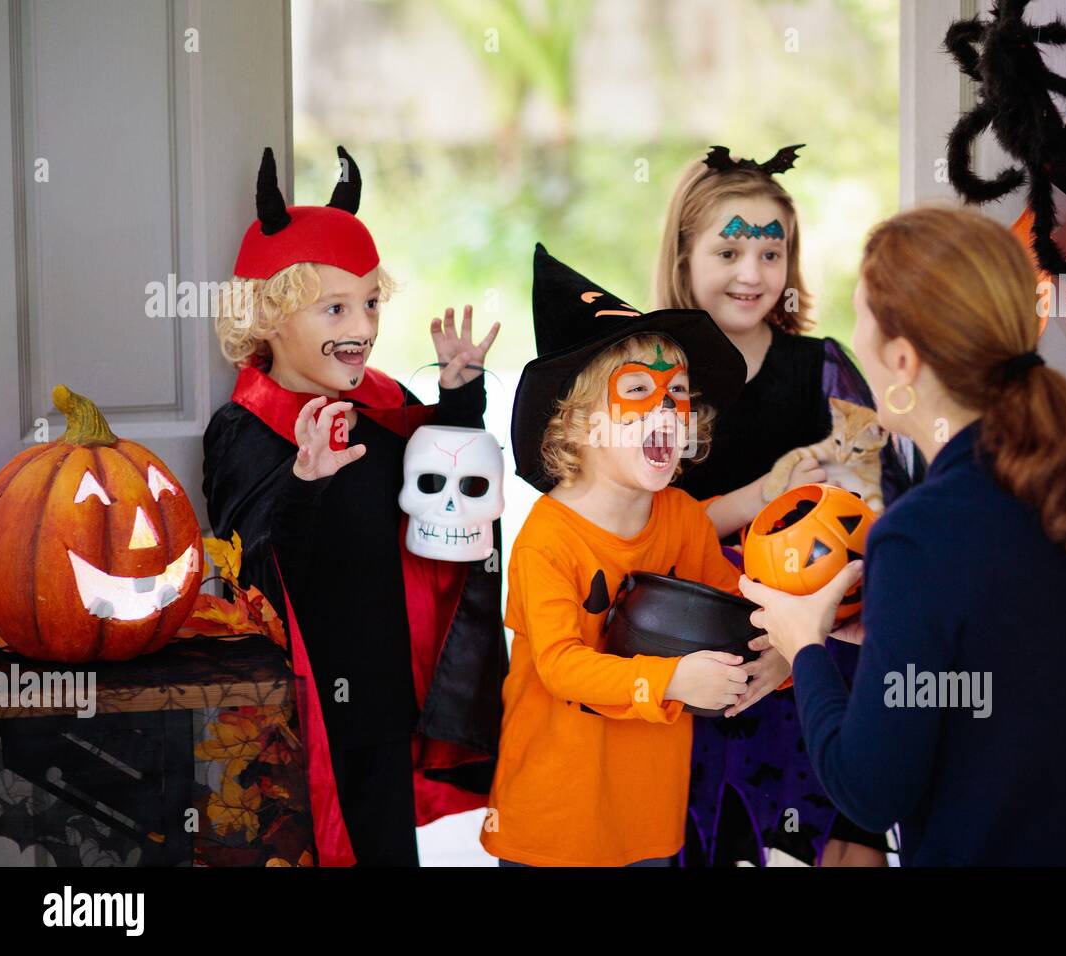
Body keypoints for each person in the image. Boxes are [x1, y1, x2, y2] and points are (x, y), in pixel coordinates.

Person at [741, 205, 1066, 865]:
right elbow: (1026, 650)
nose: (851, 337)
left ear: (904, 359)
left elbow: (868, 790)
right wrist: (891, 623)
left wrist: (803, 647)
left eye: (859, 317)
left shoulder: (921, 534)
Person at [203, 147, 507, 866]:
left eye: (371, 301)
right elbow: (260, 583)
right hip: (305, 711)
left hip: (383, 692)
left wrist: (460, 397)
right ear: (270, 316)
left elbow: (445, 508)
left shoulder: (379, 409)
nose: (363, 326)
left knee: (386, 848)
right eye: (335, 307)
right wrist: (306, 477)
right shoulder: (247, 431)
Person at [480, 246, 791, 867]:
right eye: (640, 391)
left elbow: (738, 609)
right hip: (553, 821)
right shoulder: (547, 536)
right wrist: (674, 678)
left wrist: (776, 657)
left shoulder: (679, 516)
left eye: (676, 394)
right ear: (578, 424)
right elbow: (563, 668)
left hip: (647, 816)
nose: (666, 410)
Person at [653, 145, 919, 867]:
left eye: (772, 253)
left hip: (815, 645)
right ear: (684, 254)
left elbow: (879, 522)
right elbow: (633, 532)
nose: (752, 274)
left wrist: (801, 645)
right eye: (729, 250)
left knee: (825, 841)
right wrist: (762, 495)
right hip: (684, 649)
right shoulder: (643, 371)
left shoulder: (823, 367)